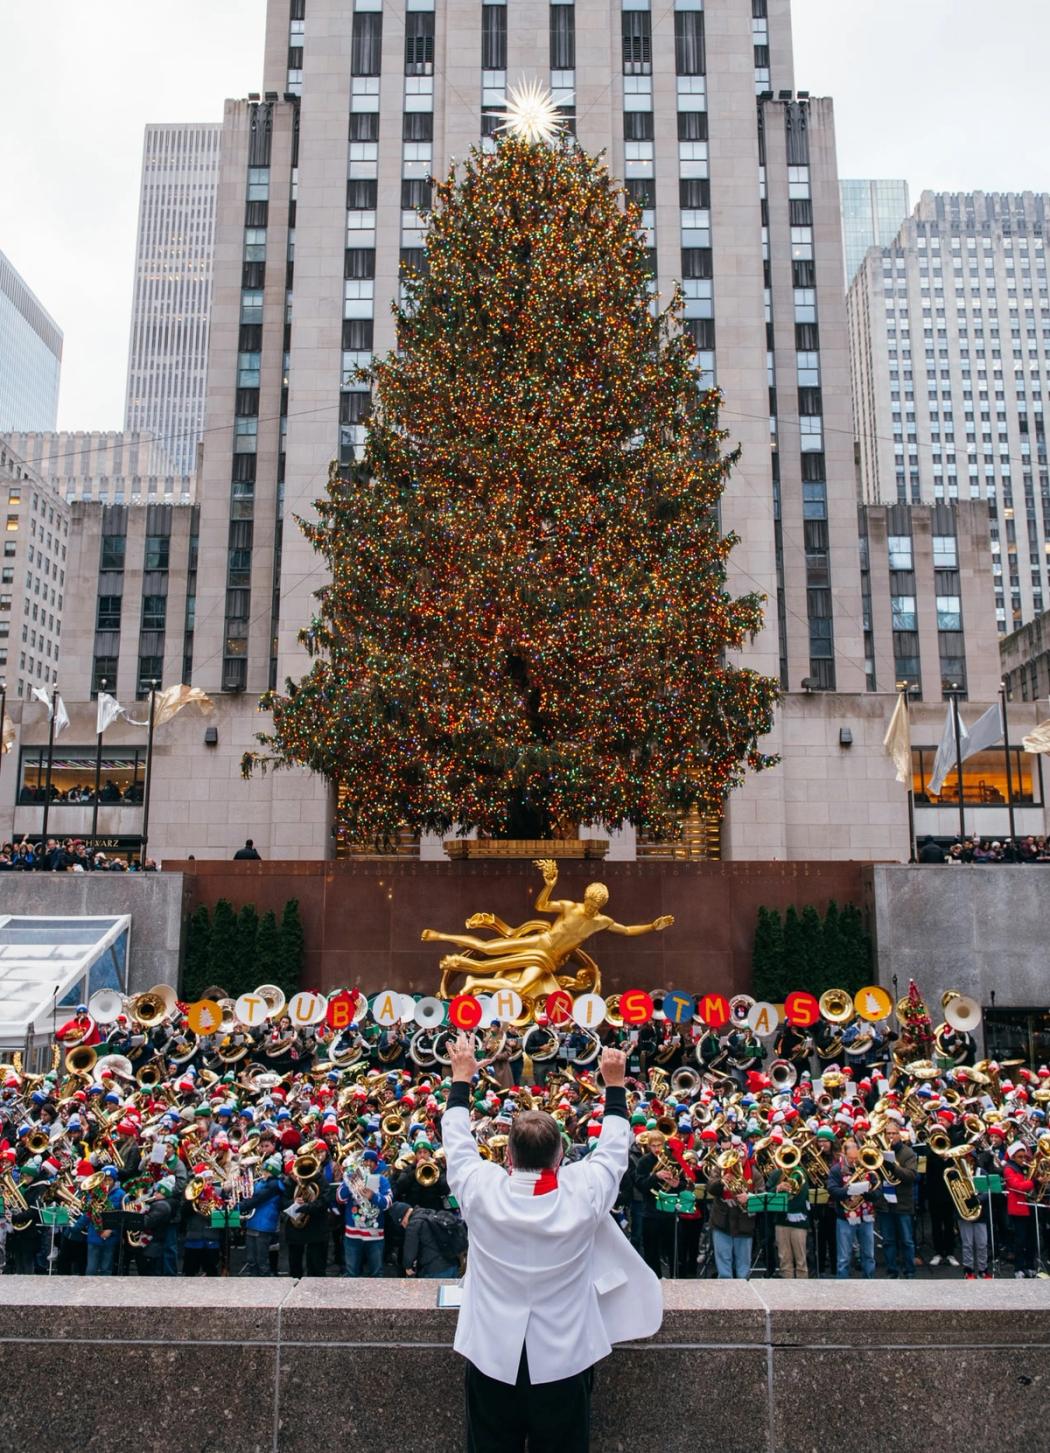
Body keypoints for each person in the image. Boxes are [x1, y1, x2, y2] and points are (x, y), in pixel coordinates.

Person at [443, 1031, 661, 1453]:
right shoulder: (582, 1193)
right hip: (564, 1361)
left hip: (491, 1358)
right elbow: (614, 1150)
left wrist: (461, 1077)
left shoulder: (481, 1190)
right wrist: (614, 1084)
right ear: (561, 1157)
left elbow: (456, 1141)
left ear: (507, 1156)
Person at [874, 1119, 917, 1279]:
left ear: (900, 1134)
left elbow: (912, 1176)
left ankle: (909, 1271)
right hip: (885, 1203)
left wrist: (894, 1167)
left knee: (906, 1240)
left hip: (902, 1203)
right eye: (888, 1133)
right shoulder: (879, 1153)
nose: (891, 1136)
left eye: (894, 1133)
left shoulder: (908, 1153)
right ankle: (892, 1271)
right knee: (888, 1241)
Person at [828, 1140, 876, 1279]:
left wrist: (865, 1193)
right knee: (844, 1257)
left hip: (866, 1216)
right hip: (845, 1218)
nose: (855, 1162)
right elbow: (832, 1191)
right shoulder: (836, 1170)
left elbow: (878, 1192)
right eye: (851, 1159)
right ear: (844, 1155)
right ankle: (843, 1286)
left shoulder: (868, 1167)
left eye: (857, 1158)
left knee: (868, 1254)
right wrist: (849, 1191)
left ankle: (870, 1281)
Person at [392, 1200, 465, 1279]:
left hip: (435, 1270)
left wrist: (408, 1267)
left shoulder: (413, 1224)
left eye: (402, 1223)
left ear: (403, 1217)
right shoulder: (428, 1213)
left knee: (434, 1291)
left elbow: (410, 1251)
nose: (403, 1226)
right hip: (452, 1264)